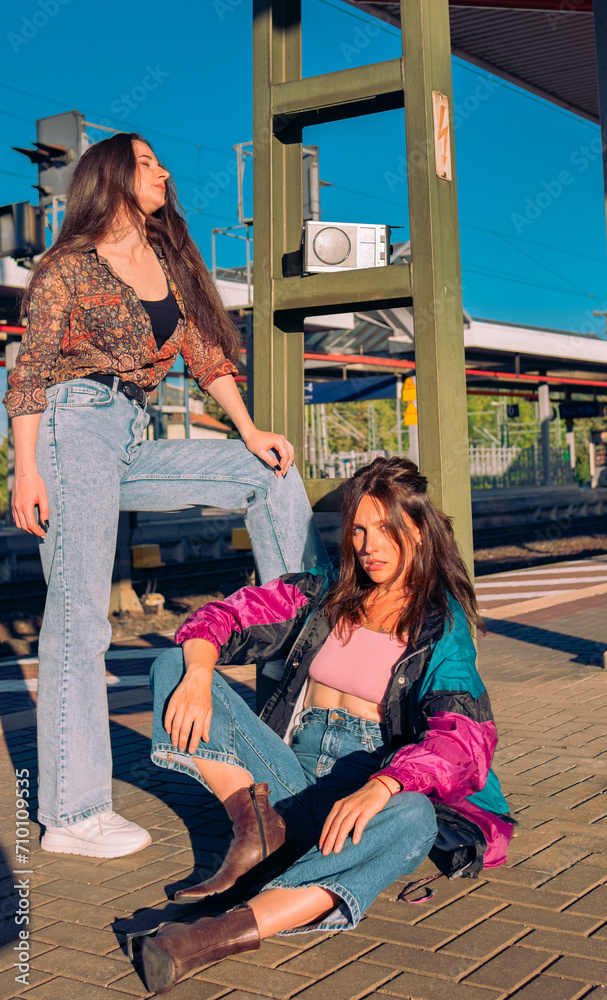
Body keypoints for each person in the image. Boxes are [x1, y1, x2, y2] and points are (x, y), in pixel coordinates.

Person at [2, 131, 326, 860]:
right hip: (69, 425)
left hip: (127, 434)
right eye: (148, 163)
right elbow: (30, 374)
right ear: (111, 175)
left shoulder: (168, 263)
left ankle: (304, 636)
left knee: (266, 474)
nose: (165, 172)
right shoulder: (67, 267)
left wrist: (247, 430)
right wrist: (26, 468)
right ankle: (73, 813)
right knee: (80, 617)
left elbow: (206, 357)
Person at [140, 457, 513, 995]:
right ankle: (259, 829)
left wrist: (383, 786)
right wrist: (200, 671)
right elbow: (223, 617)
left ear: (417, 529)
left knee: (412, 820)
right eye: (358, 530)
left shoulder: (439, 623)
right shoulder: (322, 596)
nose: (369, 544)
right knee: (172, 666)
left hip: (358, 793)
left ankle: (218, 933)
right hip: (284, 785)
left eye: (385, 529)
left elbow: (463, 736)